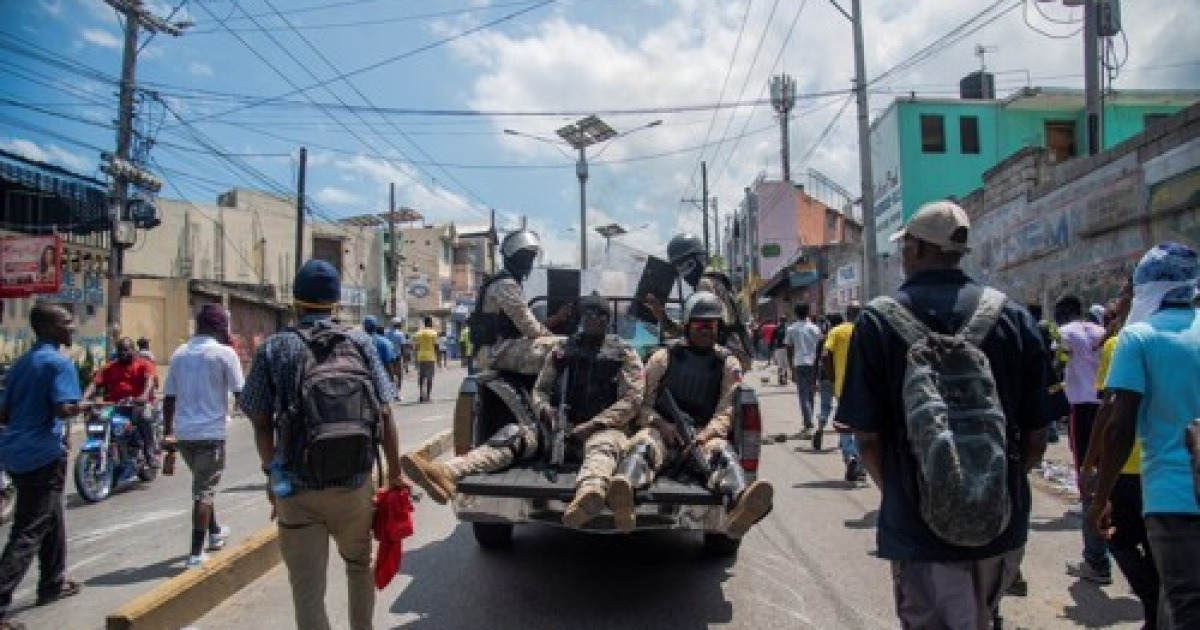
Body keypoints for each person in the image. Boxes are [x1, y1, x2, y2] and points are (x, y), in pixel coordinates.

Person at [838, 201, 1048, 630]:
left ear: (915, 249)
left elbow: (868, 441)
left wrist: (907, 491)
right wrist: (987, 487)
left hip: (917, 530)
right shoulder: (1014, 318)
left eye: (904, 247)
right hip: (1000, 523)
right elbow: (1037, 437)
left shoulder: (877, 322)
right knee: (985, 617)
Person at [240, 259, 404, 630]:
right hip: (354, 484)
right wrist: (394, 475)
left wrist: (272, 475)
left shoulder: (275, 349)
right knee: (358, 565)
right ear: (334, 302)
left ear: (296, 301)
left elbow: (259, 421)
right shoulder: (360, 342)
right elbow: (386, 413)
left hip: (296, 488)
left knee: (307, 590)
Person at [1087, 243, 1200, 629]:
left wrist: (1100, 496)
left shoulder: (1138, 338)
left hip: (1173, 496)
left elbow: (1118, 424)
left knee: (1183, 602)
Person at [607, 291, 774, 538]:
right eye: (700, 324)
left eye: (712, 324)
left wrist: (705, 435)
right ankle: (624, 495)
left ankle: (742, 501)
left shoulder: (727, 363)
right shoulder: (663, 358)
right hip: (663, 432)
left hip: (703, 435)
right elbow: (641, 404)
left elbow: (726, 410)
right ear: (687, 325)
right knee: (643, 445)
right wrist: (662, 425)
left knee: (723, 454)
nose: (706, 329)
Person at [1079, 280, 1161, 629]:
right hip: (1178, 467)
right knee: (1162, 546)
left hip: (1129, 465)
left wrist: (1090, 465)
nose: (1119, 300)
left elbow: (1109, 412)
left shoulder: (1123, 343)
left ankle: (1158, 601)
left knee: (1121, 539)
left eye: (1125, 294)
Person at [0, 303, 85, 630]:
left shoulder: (22, 363)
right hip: (41, 454)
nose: (72, 328)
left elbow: (4, 413)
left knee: (52, 514)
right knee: (29, 528)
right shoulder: (58, 363)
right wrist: (84, 404)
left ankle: (53, 581)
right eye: (66, 323)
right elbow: (64, 409)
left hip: (15, 452)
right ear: (50, 328)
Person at [162, 304, 245, 567]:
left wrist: (168, 432)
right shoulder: (224, 354)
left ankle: (215, 531)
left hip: (185, 435)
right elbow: (241, 393)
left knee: (202, 486)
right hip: (210, 434)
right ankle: (196, 552)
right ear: (219, 326)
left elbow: (169, 398)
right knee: (204, 492)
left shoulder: (179, 354)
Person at [1057, 294, 1112, 584]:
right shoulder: (1104, 332)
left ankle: (1096, 560)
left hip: (1084, 410)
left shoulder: (1065, 333)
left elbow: (1054, 361)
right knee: (1110, 472)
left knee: (1087, 473)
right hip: (1114, 404)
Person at [646, 233, 753, 371]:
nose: (682, 273)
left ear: (694, 261)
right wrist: (662, 316)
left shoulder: (705, 283)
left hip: (728, 356)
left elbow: (702, 333)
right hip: (733, 352)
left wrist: (665, 323)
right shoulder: (716, 279)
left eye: (683, 265)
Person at [470, 229, 571, 375]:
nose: (528, 262)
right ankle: (548, 396)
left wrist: (555, 321)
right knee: (564, 349)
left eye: (531, 257)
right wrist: (553, 337)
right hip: (497, 352)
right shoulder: (506, 284)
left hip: (497, 348)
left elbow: (525, 325)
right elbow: (529, 327)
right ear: (512, 257)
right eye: (524, 257)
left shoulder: (505, 282)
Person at [83, 337, 157, 470]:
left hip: (137, 404)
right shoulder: (110, 367)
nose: (123, 353)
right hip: (115, 405)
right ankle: (101, 448)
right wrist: (84, 398)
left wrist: (143, 396)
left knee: (144, 417)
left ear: (133, 350)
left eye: (126, 350)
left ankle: (149, 453)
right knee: (97, 418)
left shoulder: (143, 364)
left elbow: (149, 381)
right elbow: (95, 383)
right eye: (120, 350)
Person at [822, 305, 864, 483]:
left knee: (845, 423)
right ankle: (861, 462)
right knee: (863, 426)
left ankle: (850, 457)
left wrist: (831, 376)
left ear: (846, 315)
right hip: (865, 387)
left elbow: (825, 354)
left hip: (842, 385)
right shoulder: (866, 331)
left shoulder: (837, 331)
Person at [784, 303, 822, 443]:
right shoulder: (815, 328)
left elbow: (788, 348)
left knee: (803, 395)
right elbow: (819, 348)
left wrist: (790, 367)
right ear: (808, 312)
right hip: (813, 363)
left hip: (799, 363)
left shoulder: (791, 329)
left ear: (795, 313)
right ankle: (808, 421)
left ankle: (808, 423)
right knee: (811, 393)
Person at [363, 316, 400, 393]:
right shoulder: (385, 342)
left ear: (364, 327)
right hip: (381, 379)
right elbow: (389, 363)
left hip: (364, 379)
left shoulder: (359, 341)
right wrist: (392, 378)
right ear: (375, 326)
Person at [414, 318, 438, 403]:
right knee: (429, 377)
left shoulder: (418, 333)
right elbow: (436, 346)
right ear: (430, 323)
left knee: (421, 377)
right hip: (430, 357)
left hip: (421, 357)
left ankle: (421, 395)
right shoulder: (433, 333)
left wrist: (415, 359)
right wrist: (438, 358)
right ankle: (427, 396)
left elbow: (416, 347)